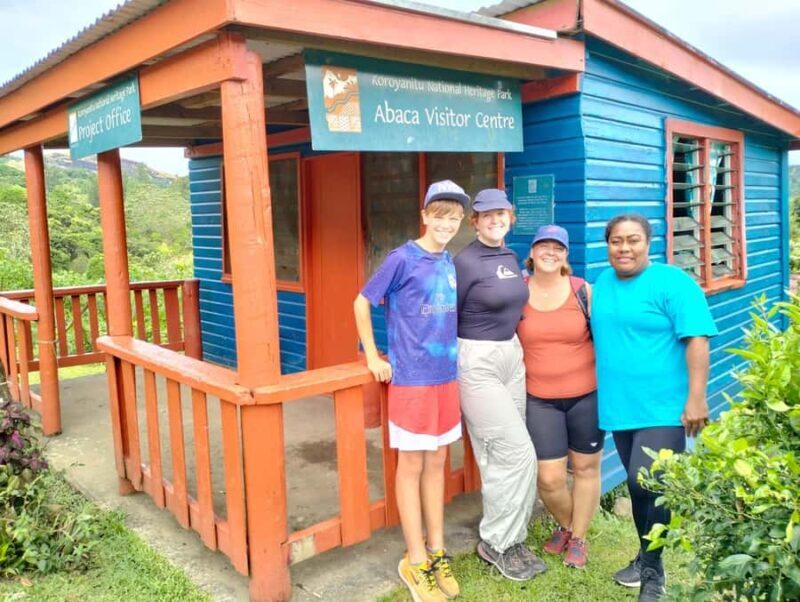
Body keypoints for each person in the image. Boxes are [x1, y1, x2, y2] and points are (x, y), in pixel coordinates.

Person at [591, 214, 718, 602]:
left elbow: (697, 338)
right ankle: (646, 555)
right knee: (639, 484)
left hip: (664, 406)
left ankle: (653, 574)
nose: (624, 248)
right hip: (620, 406)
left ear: (649, 242)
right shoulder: (601, 284)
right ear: (608, 245)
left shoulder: (673, 283)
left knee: (645, 481)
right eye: (616, 241)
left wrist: (696, 397)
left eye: (633, 240)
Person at [354, 180, 469, 602]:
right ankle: (414, 558)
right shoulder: (401, 259)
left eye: (454, 217)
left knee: (438, 462)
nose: (446, 223)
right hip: (410, 381)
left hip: (445, 378)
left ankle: (437, 550)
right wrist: (372, 356)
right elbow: (362, 302)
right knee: (412, 466)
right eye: (439, 215)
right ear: (424, 216)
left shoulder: (449, 261)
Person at [454, 188, 547, 581]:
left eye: (501, 214)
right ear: (474, 221)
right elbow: (446, 315)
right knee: (518, 453)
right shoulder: (464, 262)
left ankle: (510, 536)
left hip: (512, 354)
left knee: (499, 456)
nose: (495, 220)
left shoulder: (509, 255)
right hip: (478, 359)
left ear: (511, 217)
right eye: (486, 215)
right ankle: (496, 541)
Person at [517, 224, 603, 569]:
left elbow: (608, 338)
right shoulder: (517, 291)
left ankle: (578, 537)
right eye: (543, 246)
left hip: (586, 395)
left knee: (585, 468)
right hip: (540, 399)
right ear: (533, 253)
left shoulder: (584, 291)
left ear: (566, 255)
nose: (550, 253)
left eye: (558, 248)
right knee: (550, 478)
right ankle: (568, 526)